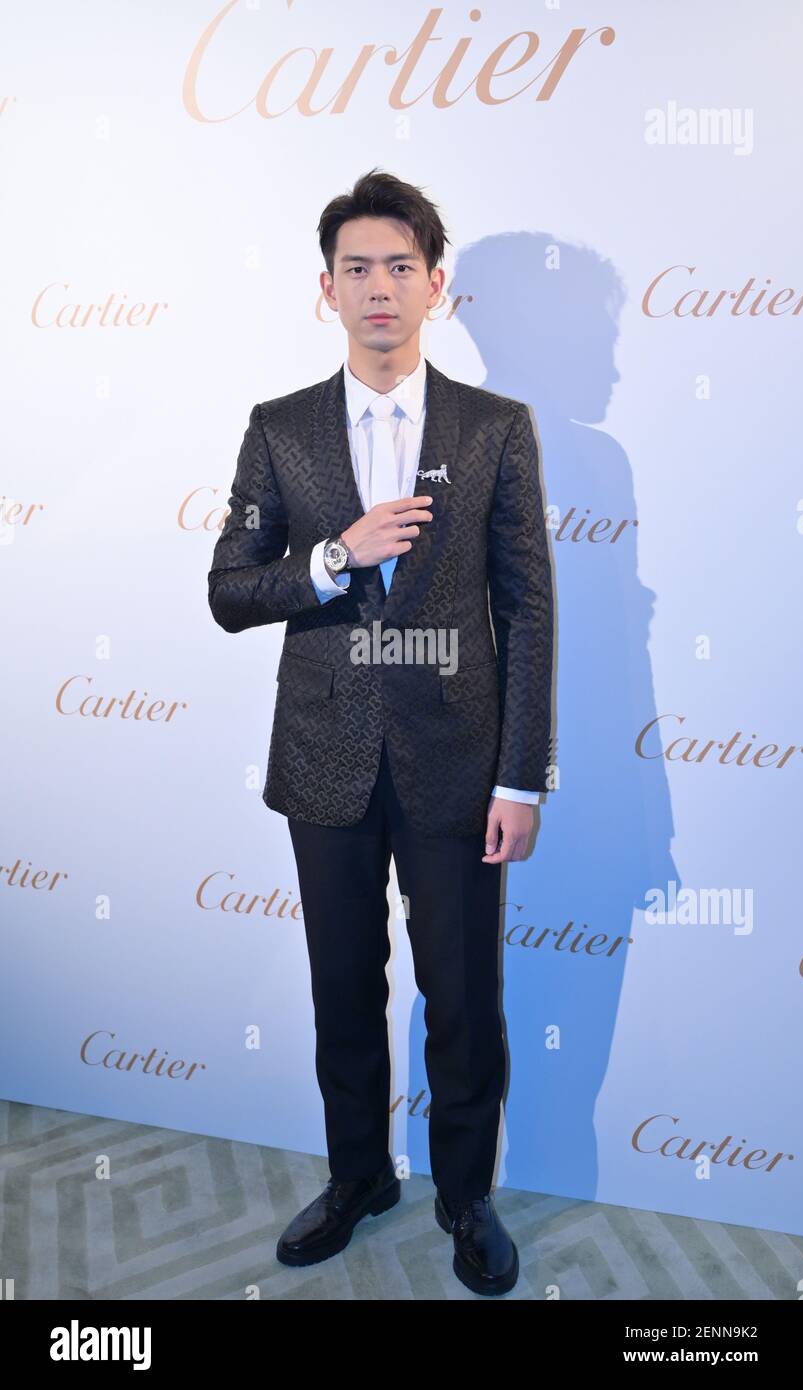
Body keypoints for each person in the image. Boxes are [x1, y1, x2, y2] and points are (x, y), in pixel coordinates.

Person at [207, 168, 554, 1296]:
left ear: (434, 285)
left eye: (400, 267)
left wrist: (523, 779)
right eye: (356, 268)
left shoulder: (496, 428)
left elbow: (529, 605)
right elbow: (228, 590)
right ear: (327, 289)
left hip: (460, 763)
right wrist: (333, 554)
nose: (379, 288)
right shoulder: (279, 430)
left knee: (464, 1001)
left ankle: (465, 1196)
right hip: (325, 757)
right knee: (341, 991)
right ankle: (359, 1176)